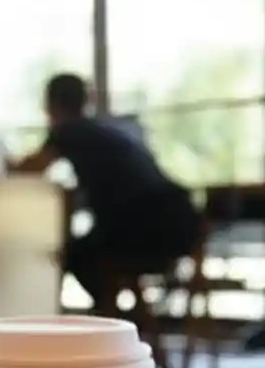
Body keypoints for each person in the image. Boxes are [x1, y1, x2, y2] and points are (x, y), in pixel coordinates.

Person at [11, 74, 199, 311]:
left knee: (73, 255)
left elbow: (29, 169)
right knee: (86, 251)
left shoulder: (69, 130)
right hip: (180, 221)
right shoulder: (105, 132)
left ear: (49, 106)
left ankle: (110, 316)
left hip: (146, 228)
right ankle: (124, 319)